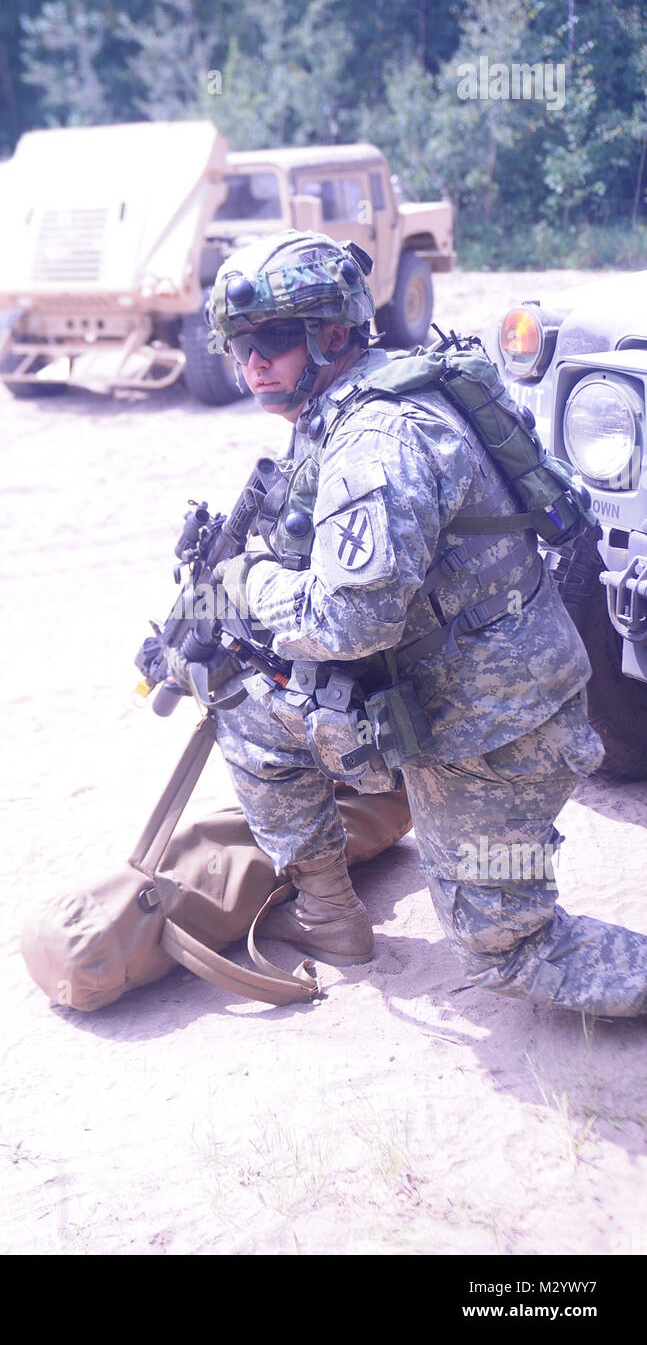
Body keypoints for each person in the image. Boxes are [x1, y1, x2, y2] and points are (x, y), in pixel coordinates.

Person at [160, 226, 647, 1017]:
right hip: (470, 691)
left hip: (494, 734)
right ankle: (327, 913)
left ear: (333, 333)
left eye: (275, 338)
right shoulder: (375, 392)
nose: (252, 360)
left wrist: (246, 583)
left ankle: (415, 853)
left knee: (511, 953)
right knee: (242, 698)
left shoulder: (374, 442)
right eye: (238, 340)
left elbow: (349, 624)